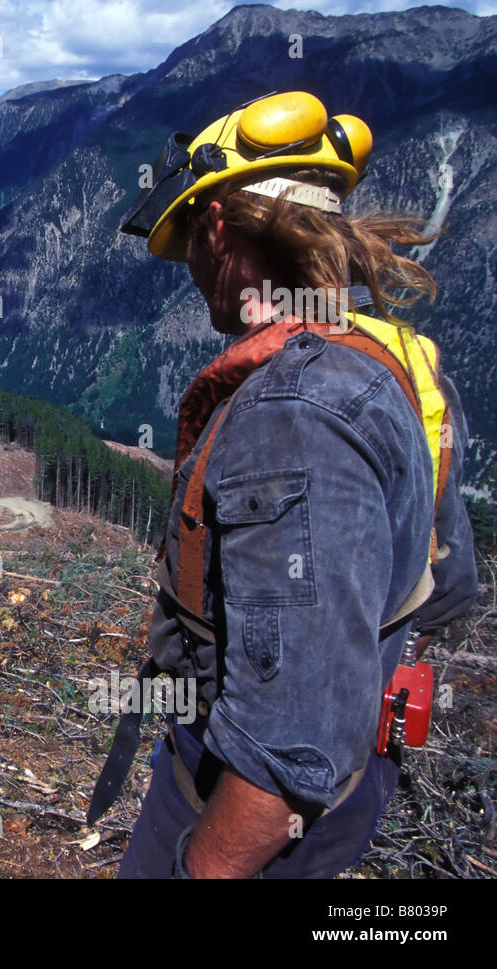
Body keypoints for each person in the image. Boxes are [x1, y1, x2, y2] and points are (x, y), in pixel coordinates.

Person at [89, 91, 479, 877]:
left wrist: (208, 859)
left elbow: (284, 754)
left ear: (223, 229)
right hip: (349, 786)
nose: (193, 270)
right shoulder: (398, 361)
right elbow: (450, 586)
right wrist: (358, 663)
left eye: (192, 239)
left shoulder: (293, 418)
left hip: (240, 803)